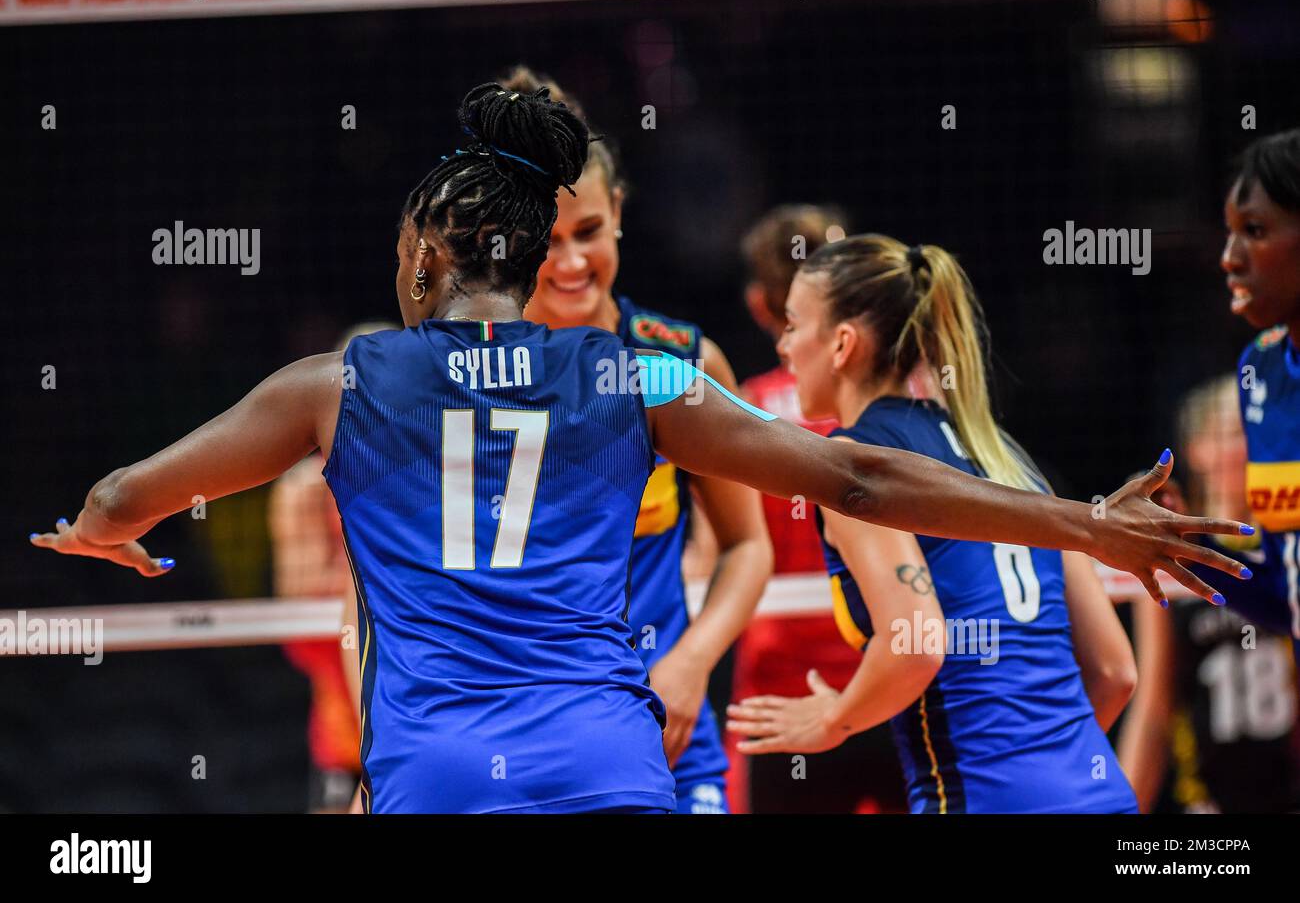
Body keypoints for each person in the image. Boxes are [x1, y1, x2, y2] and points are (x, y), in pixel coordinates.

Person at [29, 83, 1251, 813]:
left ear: (426, 256)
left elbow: (127, 488)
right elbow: (861, 473)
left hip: (441, 775)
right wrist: (1091, 521)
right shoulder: (640, 373)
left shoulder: (337, 383)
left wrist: (107, 529)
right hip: (608, 767)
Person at [728, 235, 1161, 812]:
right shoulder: (1007, 453)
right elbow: (1113, 670)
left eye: (792, 325)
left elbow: (917, 644)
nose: (783, 347)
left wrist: (834, 719)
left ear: (841, 344)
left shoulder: (856, 464)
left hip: (979, 797)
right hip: (1100, 794)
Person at [503, 66, 772, 814]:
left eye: (588, 231)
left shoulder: (680, 360)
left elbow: (749, 545)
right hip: (513, 734)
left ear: (619, 211)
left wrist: (691, 664)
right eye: (544, 241)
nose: (570, 263)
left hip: (662, 726)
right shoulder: (463, 371)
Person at [729, 204, 907, 813]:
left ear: (760, 305)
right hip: (888, 683)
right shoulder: (907, 406)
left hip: (779, 696)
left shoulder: (737, 413)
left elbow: (718, 548)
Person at [1117, 378, 1300, 813]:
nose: (1252, 445)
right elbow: (1154, 707)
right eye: (1237, 433)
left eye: (1254, 432)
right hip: (1207, 805)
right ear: (1199, 448)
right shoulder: (1170, 558)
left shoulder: (1288, 551)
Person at [269, 321, 395, 812]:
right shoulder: (304, 490)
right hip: (346, 740)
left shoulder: (438, 475)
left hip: (433, 729)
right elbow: (300, 635)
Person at [1208, 127, 1300, 659]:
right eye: (1230, 232)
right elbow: (1287, 604)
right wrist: (1190, 548)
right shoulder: (1260, 369)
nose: (1229, 257)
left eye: (1256, 230)